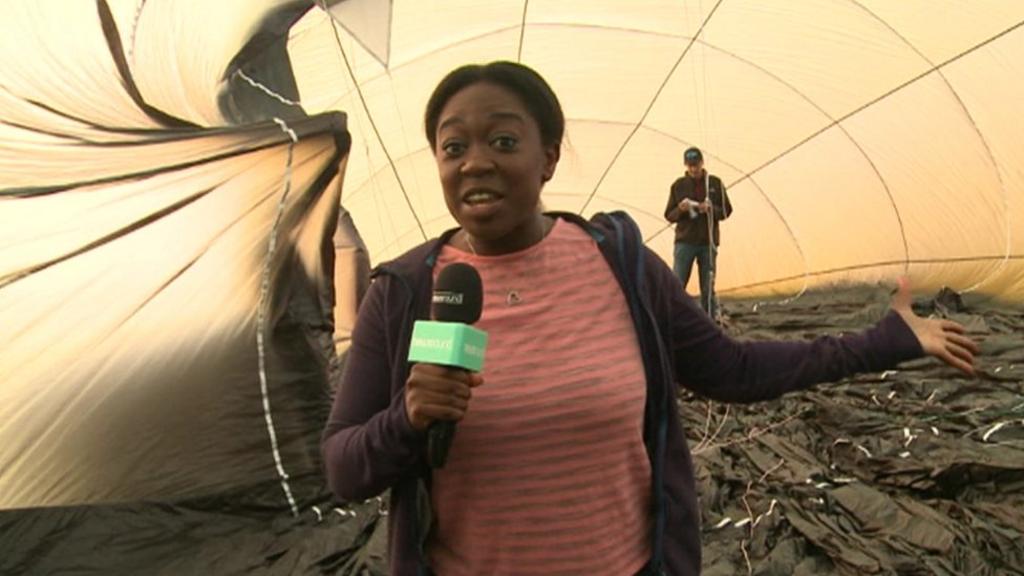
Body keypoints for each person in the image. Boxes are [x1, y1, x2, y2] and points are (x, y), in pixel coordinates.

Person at [321, 61, 978, 576]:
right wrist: (408, 418)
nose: (475, 161)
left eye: (502, 139)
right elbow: (344, 467)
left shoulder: (620, 265)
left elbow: (734, 369)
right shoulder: (406, 292)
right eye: (452, 146)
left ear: (547, 157)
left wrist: (889, 339)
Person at [664, 147, 731, 320]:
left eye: (696, 165)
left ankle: (709, 321)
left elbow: (726, 211)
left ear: (702, 162)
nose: (694, 169)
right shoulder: (678, 186)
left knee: (708, 287)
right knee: (677, 284)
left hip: (708, 243)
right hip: (685, 242)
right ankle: (673, 320)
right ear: (686, 165)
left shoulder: (715, 183)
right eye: (690, 165)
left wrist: (711, 209)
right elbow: (669, 215)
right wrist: (680, 209)